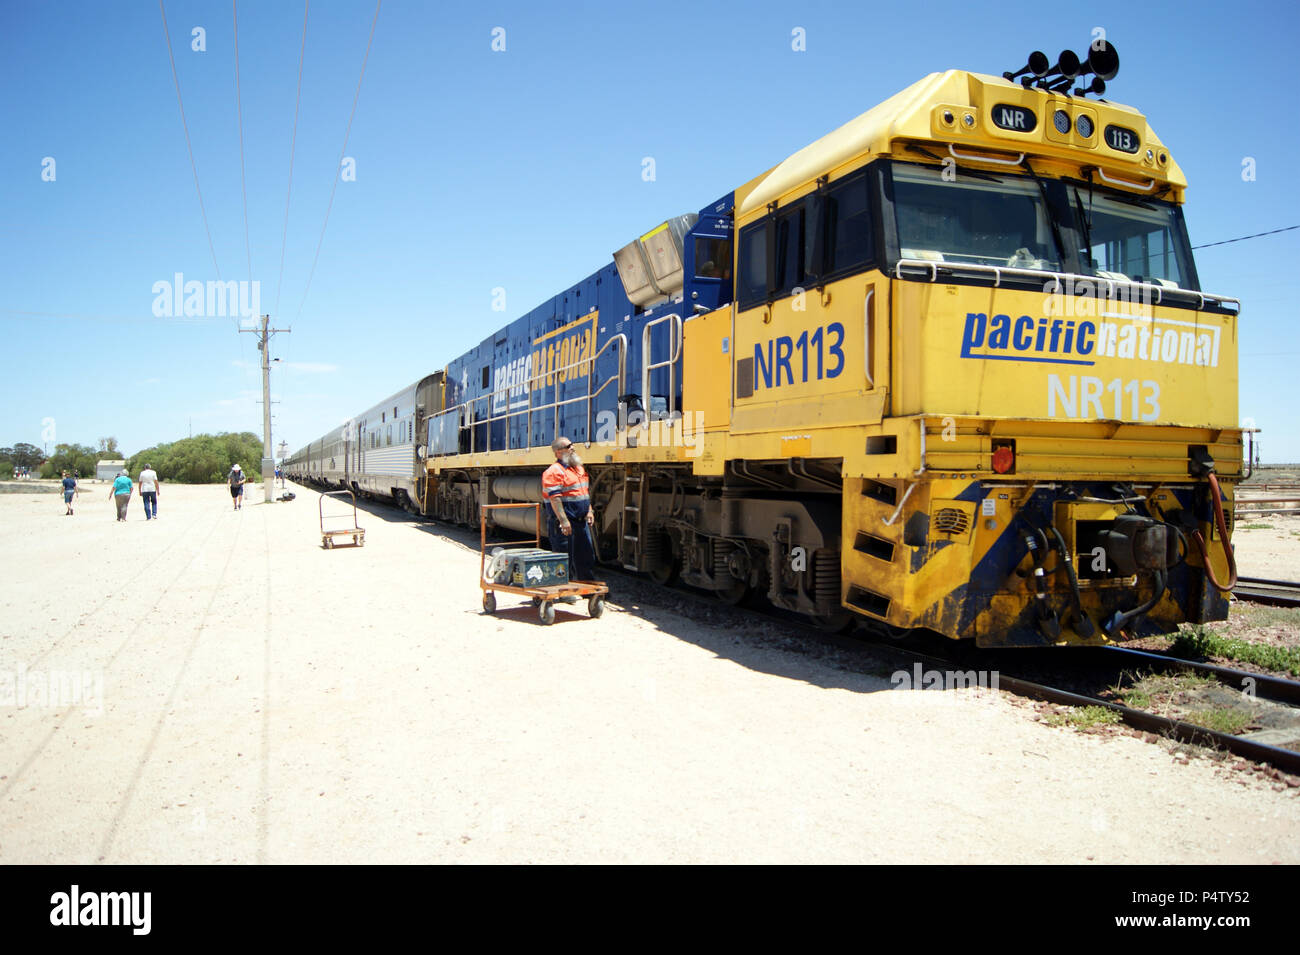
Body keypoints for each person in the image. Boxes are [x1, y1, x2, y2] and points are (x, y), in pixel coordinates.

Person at [541, 436, 597, 583]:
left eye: (572, 445)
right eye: (568, 446)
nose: (572, 448)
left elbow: (584, 493)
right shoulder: (554, 471)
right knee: (563, 559)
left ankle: (588, 588)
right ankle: (563, 589)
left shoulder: (578, 469)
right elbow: (555, 498)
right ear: (558, 452)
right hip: (565, 524)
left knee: (586, 557)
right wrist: (564, 521)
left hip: (581, 522)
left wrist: (589, 510)